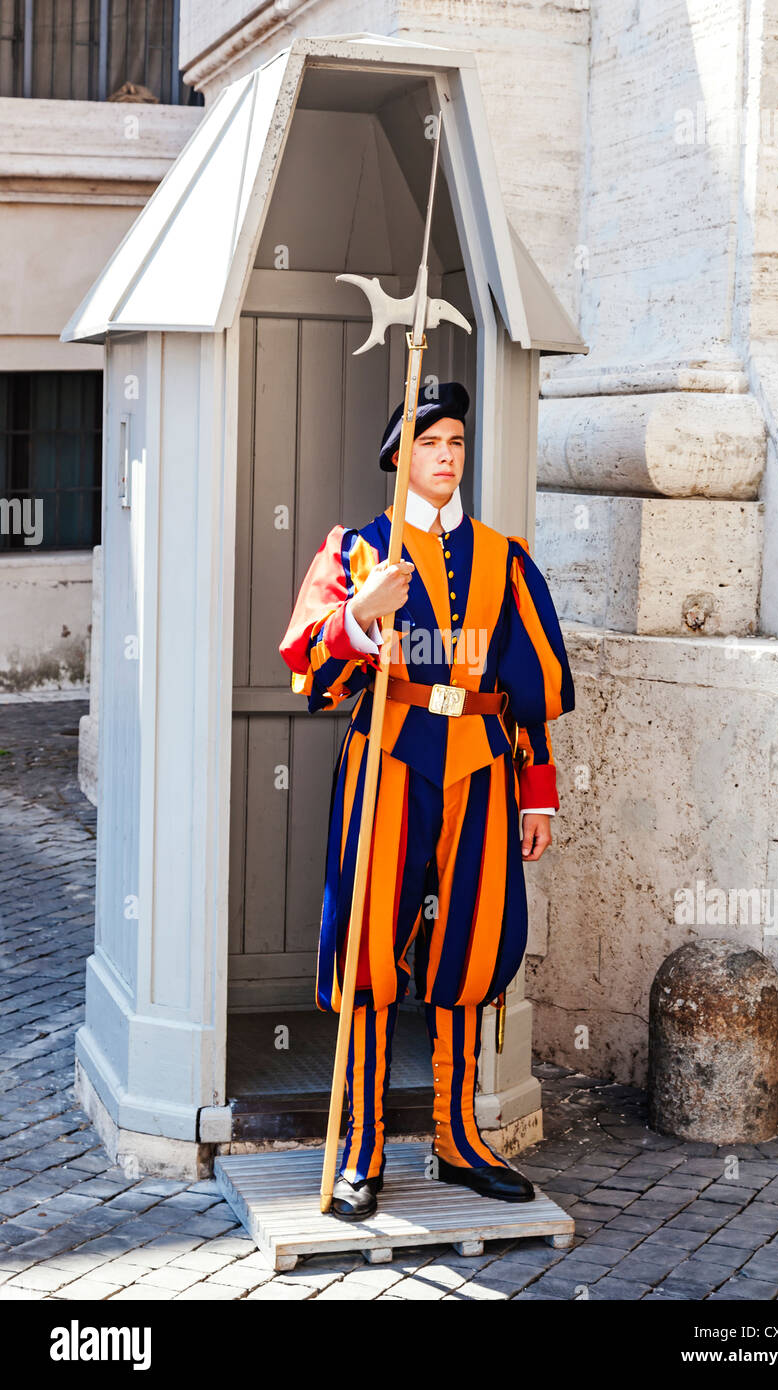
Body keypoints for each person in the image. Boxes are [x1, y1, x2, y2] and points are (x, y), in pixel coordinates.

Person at [279, 381, 574, 1221]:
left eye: (456, 443)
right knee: (370, 949)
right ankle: (364, 1146)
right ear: (398, 458)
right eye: (429, 443)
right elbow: (310, 670)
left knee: (470, 948)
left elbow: (528, 691)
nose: (447, 456)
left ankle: (458, 1139)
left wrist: (538, 795)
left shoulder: (505, 557)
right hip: (389, 762)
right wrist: (359, 616)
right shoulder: (356, 551)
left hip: (481, 765)